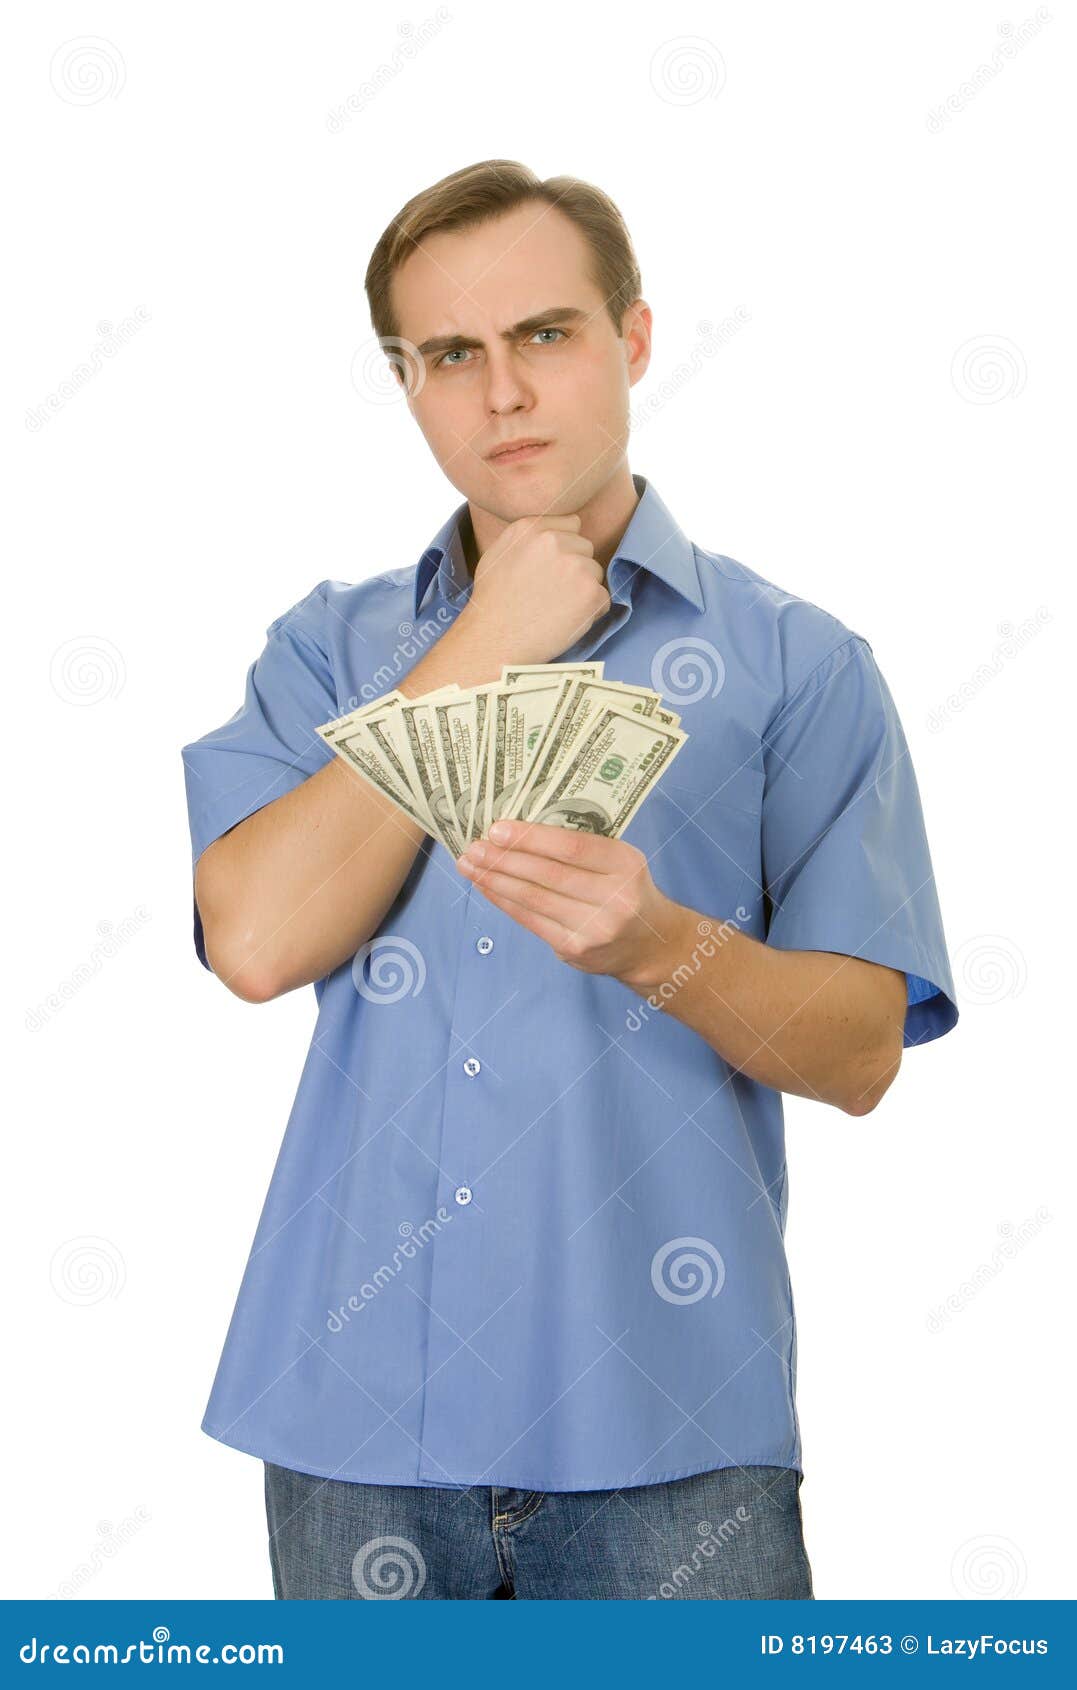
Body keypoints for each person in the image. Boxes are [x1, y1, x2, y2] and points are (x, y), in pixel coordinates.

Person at [181, 160, 958, 1600]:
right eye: (449, 355)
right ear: (407, 385)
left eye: (544, 333)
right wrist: (485, 638)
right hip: (352, 1421)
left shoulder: (800, 664)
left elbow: (859, 1055)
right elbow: (257, 940)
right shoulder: (325, 650)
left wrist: (663, 944)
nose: (502, 393)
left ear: (633, 339)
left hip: (672, 1433)